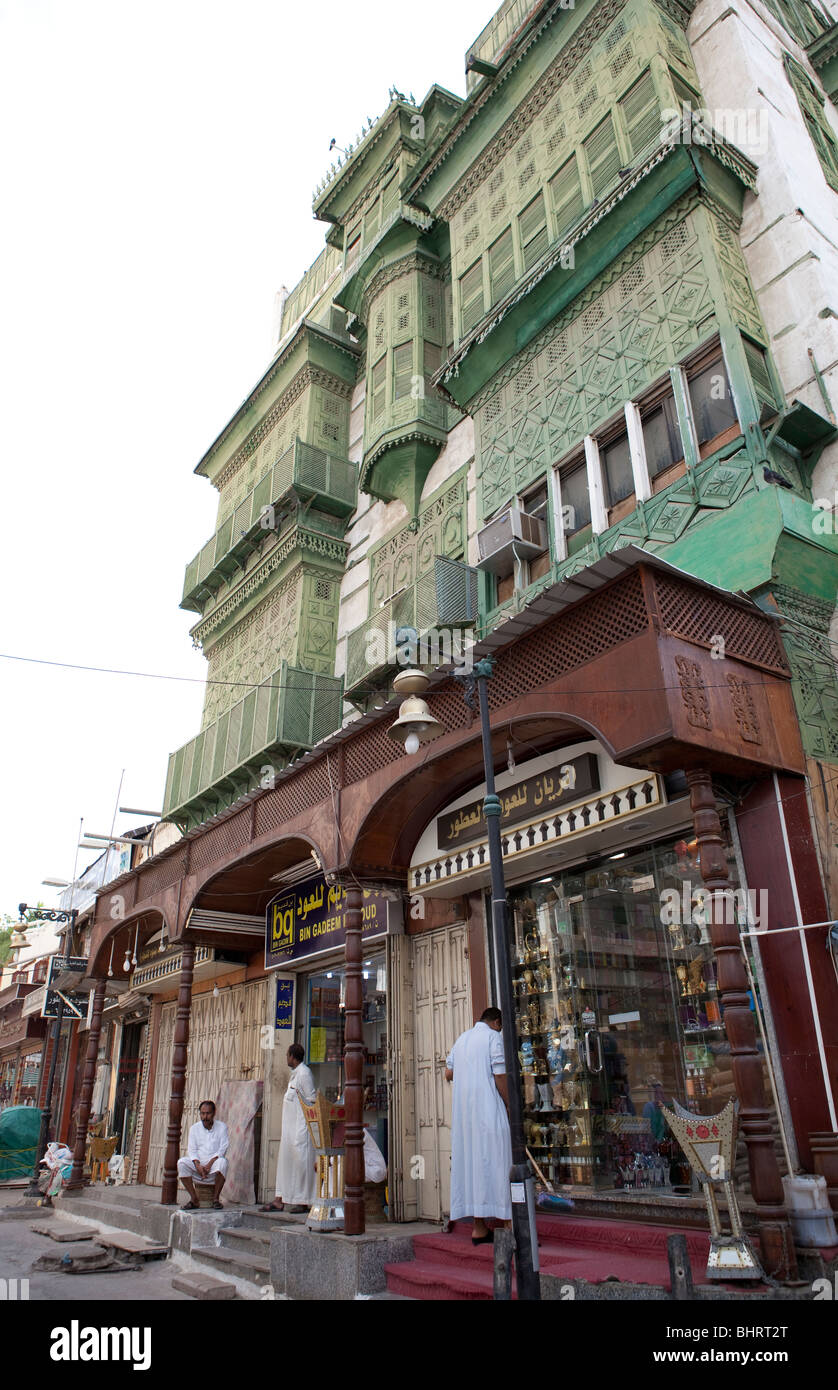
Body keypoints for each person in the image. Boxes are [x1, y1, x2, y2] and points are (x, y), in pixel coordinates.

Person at [445, 1007, 512, 1244]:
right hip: (488, 1109)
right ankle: (507, 1222)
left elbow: (448, 1072)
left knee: (472, 1165)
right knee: (499, 1161)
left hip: (466, 1115)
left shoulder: (462, 1039)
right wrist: (509, 1102)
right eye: (501, 1025)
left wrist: (467, 1073)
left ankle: (479, 1227)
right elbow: (500, 1075)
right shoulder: (493, 1038)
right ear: (496, 1022)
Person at [260, 1044, 316, 1214]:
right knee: (287, 1165)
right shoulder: (295, 1075)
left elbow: (311, 1100)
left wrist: (306, 1127)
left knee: (301, 1165)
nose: (286, 1058)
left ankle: (303, 1200)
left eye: (287, 1055)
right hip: (290, 1132)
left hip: (301, 1131)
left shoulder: (304, 1074)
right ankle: (280, 1199)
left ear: (292, 1056)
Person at [177, 1100, 229, 1209]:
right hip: (198, 1166)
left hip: (213, 1165)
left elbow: (223, 1148)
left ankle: (215, 1199)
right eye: (202, 1113)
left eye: (208, 1113)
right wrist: (198, 1166)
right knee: (181, 1163)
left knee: (223, 1163)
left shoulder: (222, 1127)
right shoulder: (194, 1128)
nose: (205, 1117)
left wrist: (209, 1164)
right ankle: (194, 1199)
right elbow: (192, 1150)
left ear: (214, 1113)